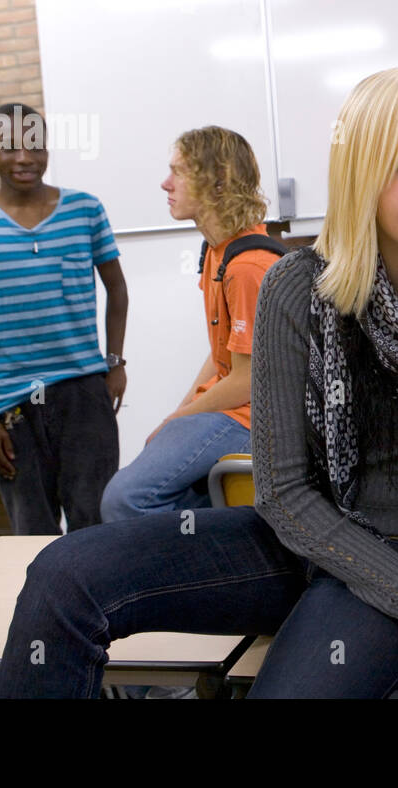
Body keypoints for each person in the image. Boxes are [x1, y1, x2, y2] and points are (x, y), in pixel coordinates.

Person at [0, 67, 398, 698]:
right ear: (361, 178)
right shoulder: (298, 286)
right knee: (65, 572)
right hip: (301, 539)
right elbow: (282, 494)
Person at [0, 103, 128, 536]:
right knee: (31, 534)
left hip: (83, 397)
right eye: (10, 146)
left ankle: (98, 607)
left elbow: (118, 289)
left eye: (35, 145)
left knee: (97, 528)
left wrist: (115, 363)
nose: (24, 157)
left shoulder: (85, 210)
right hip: (9, 409)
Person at [98, 126, 281, 520]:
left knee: (123, 499)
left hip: (255, 417)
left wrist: (179, 420)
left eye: (178, 172)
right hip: (233, 407)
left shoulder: (250, 266)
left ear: (217, 182)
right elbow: (223, 358)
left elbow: (248, 379)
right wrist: (180, 412)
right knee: (174, 498)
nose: (165, 184)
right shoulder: (218, 252)